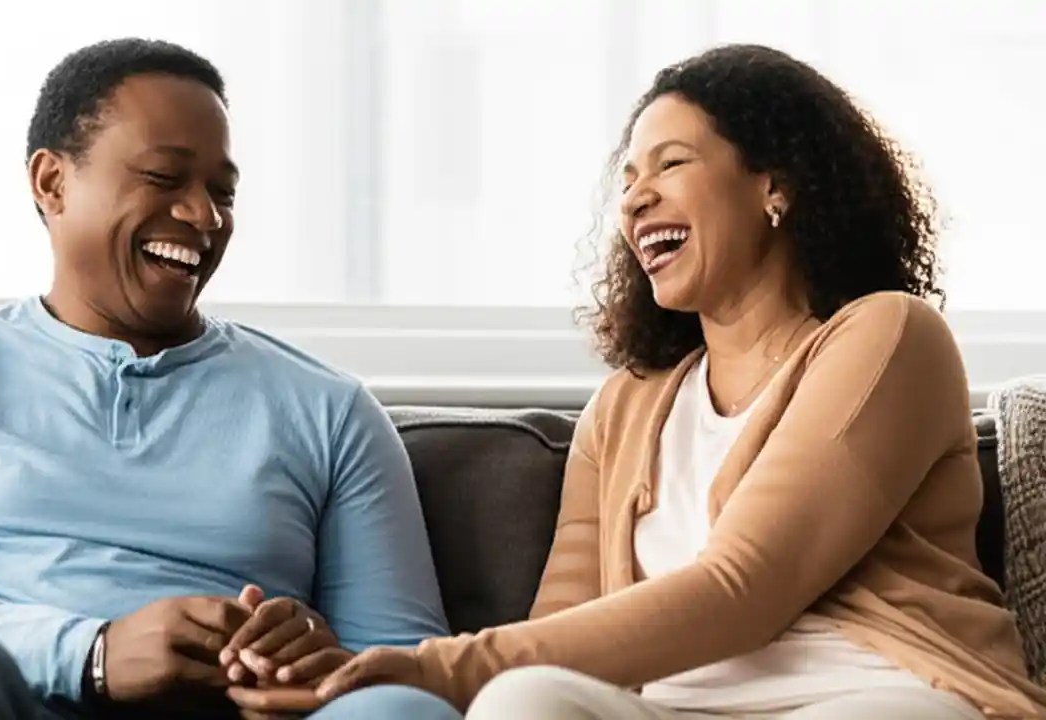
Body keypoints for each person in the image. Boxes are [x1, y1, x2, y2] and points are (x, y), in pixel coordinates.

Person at [311, 44, 1046, 719]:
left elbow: (744, 587)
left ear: (775, 185)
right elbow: (556, 630)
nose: (633, 200)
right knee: (521, 699)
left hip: (873, 692)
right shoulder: (623, 409)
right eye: (628, 181)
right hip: (673, 709)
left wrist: (439, 667)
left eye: (670, 165)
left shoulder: (889, 338)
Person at [0, 38, 459, 720]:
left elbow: (408, 663)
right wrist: (93, 652)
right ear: (52, 183)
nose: (206, 216)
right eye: (165, 179)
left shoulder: (329, 410)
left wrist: (322, 663)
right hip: (0, 703)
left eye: (222, 191)